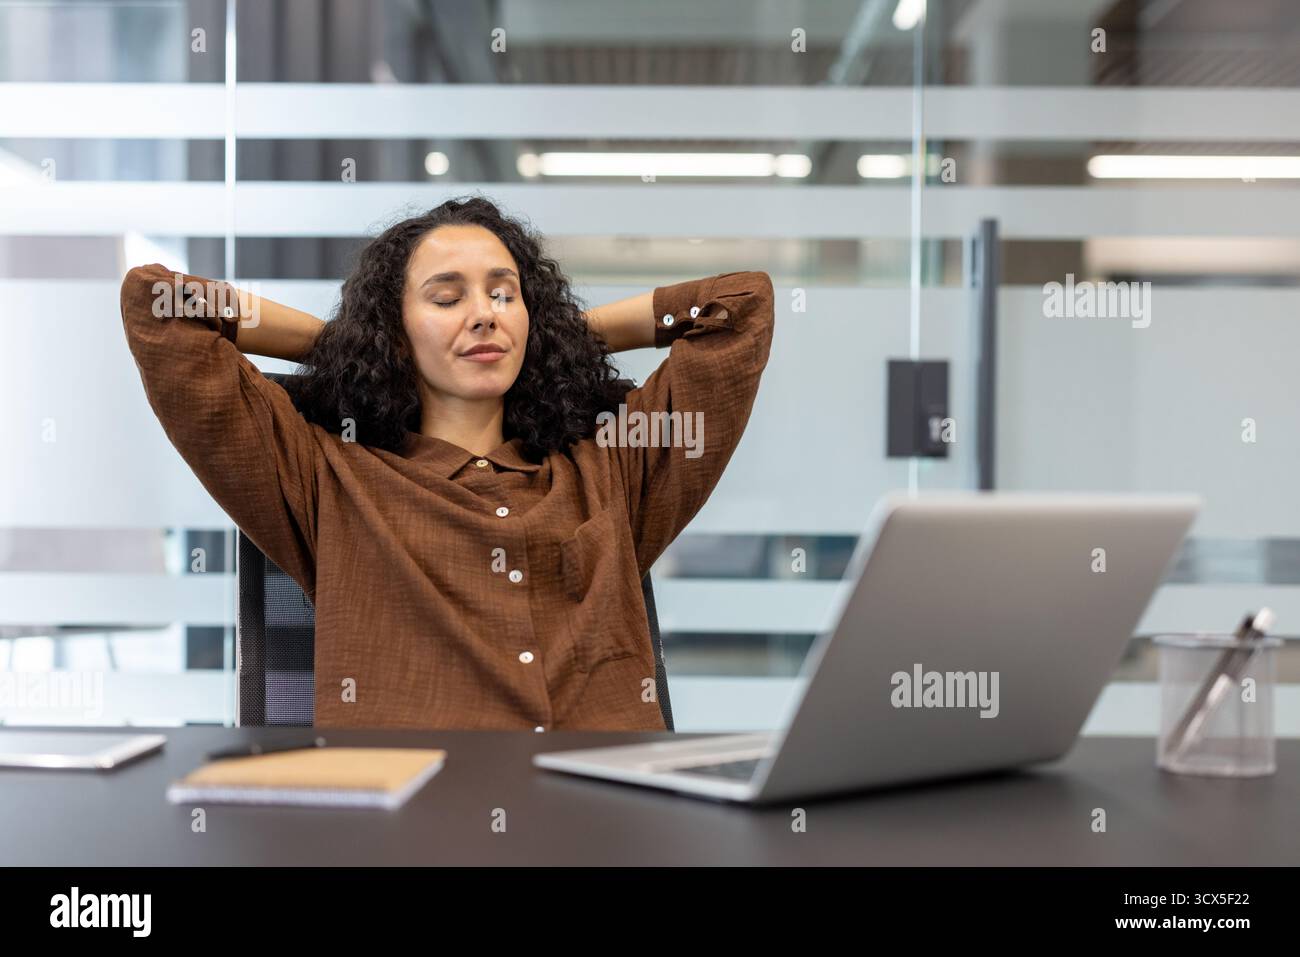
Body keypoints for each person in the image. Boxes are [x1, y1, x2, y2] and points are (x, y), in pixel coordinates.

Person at [120, 194, 774, 731]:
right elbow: (159, 306)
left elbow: (740, 307)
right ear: (394, 327)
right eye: (445, 297)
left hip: (609, 822)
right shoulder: (328, 478)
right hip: (418, 833)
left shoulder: (612, 466)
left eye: (504, 294)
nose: (485, 315)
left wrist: (552, 341)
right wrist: (356, 347)